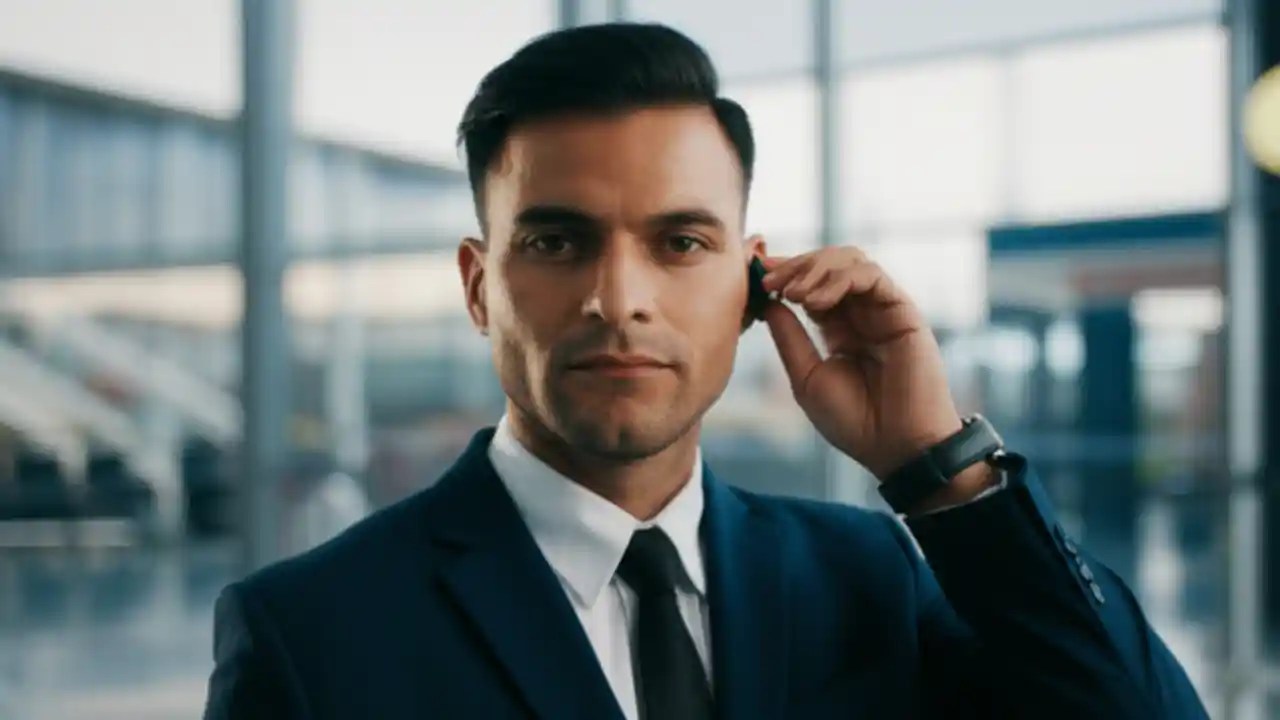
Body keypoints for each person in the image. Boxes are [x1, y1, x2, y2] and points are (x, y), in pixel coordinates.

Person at [203, 23, 1209, 720]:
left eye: (679, 242)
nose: (616, 298)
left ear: (752, 281)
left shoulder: (866, 580)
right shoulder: (312, 632)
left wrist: (938, 468)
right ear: (478, 287)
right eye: (555, 242)